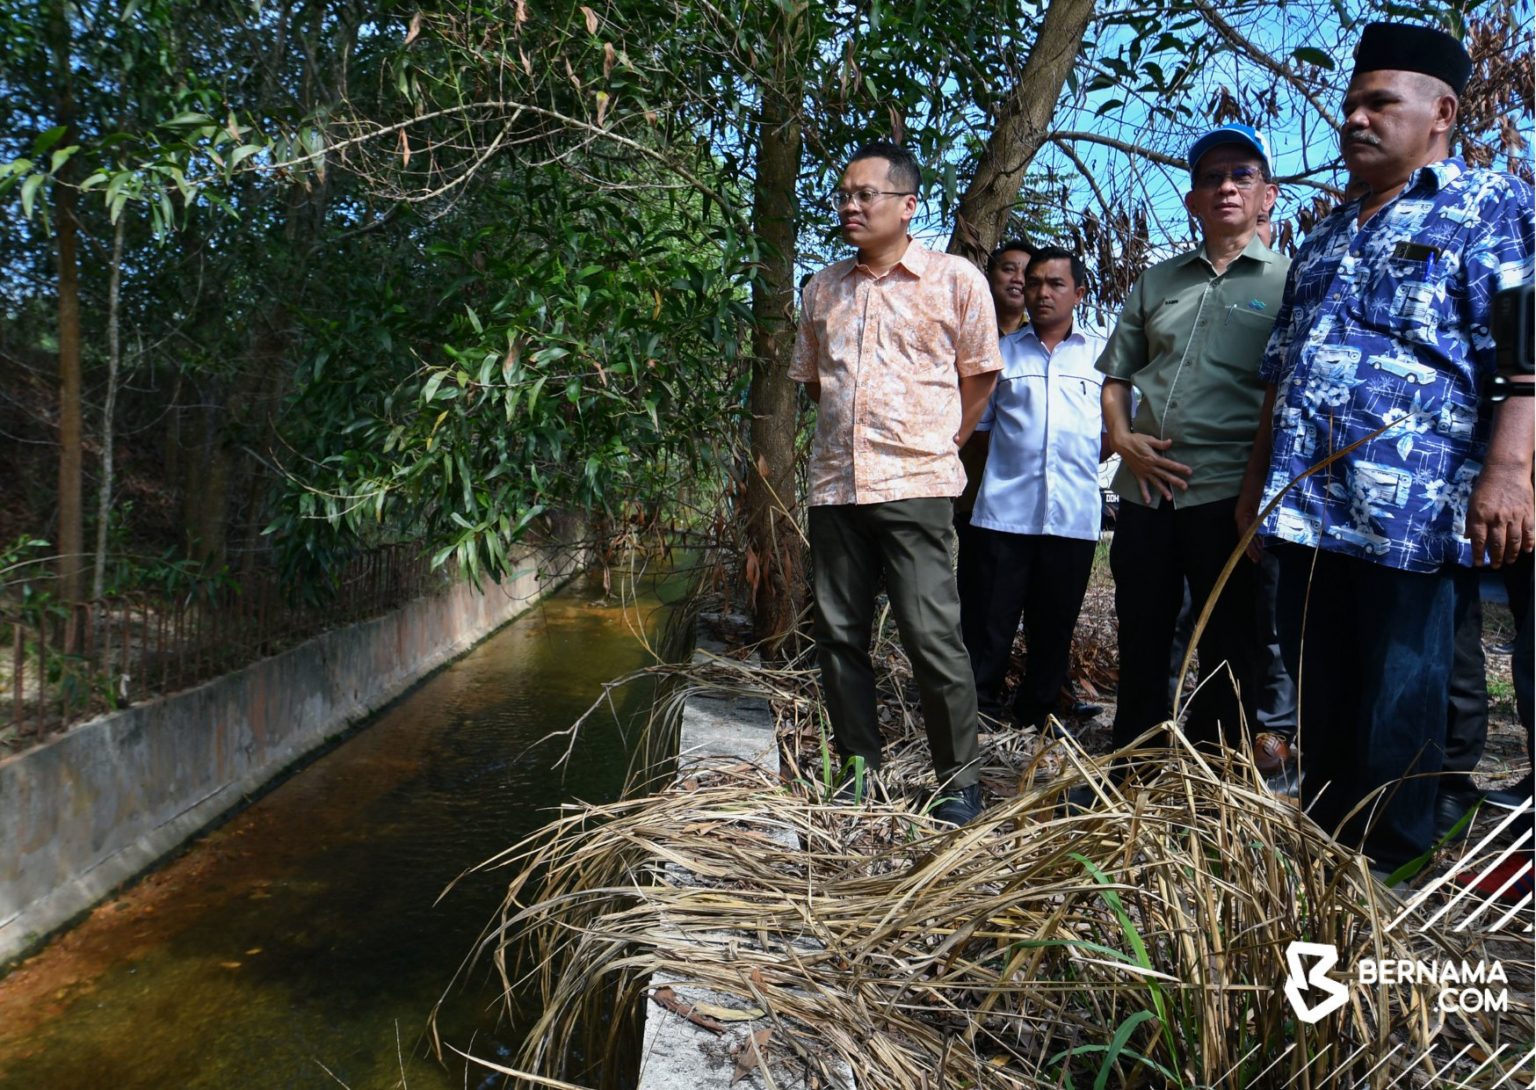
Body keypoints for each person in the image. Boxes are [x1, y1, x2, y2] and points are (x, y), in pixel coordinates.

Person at [1238, 22, 1535, 878]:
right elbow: (1281, 372)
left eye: (1380, 103)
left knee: (1401, 697)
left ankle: (1395, 867)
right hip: (1310, 509)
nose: (1356, 119)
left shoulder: (1489, 203)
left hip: (1412, 507)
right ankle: (1330, 855)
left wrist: (1510, 473)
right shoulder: (1327, 234)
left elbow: (1523, 355)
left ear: (1442, 112)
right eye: (1351, 105)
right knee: (1323, 690)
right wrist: (1259, 487)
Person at [789, 140, 1004, 825]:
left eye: (865, 195)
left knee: (931, 636)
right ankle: (858, 769)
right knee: (840, 636)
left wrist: (944, 441)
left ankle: (959, 782)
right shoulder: (822, 288)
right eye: (844, 195)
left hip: (914, 485)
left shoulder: (955, 281)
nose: (850, 206)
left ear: (908, 206)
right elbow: (817, 381)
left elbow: (981, 375)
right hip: (834, 489)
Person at [1096, 123, 1289, 755]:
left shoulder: (1290, 284)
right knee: (1143, 632)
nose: (1226, 187)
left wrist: (1261, 490)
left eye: (1242, 175)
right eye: (1211, 178)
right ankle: (1135, 761)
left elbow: (1286, 393)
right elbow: (1118, 373)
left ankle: (1215, 774)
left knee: (1231, 640)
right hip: (1147, 492)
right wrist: (1121, 438)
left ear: (1268, 197)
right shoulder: (1157, 282)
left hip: (1228, 492)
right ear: (1192, 201)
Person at [960, 247, 1107, 730]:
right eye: (1035, 283)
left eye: (1056, 284)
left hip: (1072, 518)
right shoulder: (1001, 353)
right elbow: (980, 431)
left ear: (1078, 293)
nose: (1042, 292)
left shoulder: (1103, 356)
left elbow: (1111, 434)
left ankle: (1037, 715)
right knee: (988, 623)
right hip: (1005, 514)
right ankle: (976, 712)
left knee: (1054, 626)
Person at [956, 241, 1033, 609]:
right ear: (990, 276)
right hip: (970, 490)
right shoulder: (962, 334)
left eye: (1027, 273)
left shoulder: (1042, 342)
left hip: (1028, 498)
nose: (1018, 279)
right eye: (1008, 269)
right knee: (975, 593)